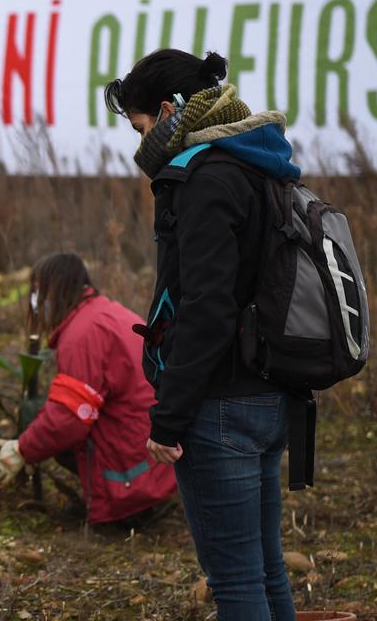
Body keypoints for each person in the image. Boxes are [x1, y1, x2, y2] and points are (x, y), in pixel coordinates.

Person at [107, 49, 303, 620]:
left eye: (142, 126)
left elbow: (207, 308)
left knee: (236, 582)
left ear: (169, 110)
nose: (140, 143)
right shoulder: (258, 162)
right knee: (266, 572)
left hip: (221, 407)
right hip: (269, 391)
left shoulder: (204, 178)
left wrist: (169, 416)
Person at [0, 253, 177, 526]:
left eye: (38, 292)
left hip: (138, 454)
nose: (35, 302)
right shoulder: (102, 312)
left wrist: (22, 450)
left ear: (56, 289)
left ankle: (131, 505)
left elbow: (69, 418)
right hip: (152, 443)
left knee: (60, 430)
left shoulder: (82, 334)